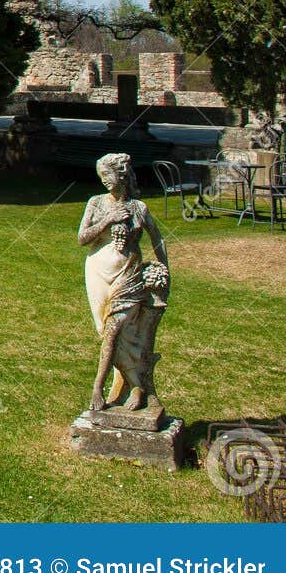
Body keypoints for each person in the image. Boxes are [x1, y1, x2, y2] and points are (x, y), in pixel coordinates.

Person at [78, 152, 170, 412]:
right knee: (103, 330)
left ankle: (122, 386)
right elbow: (82, 238)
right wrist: (108, 220)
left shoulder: (139, 208)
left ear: (122, 175)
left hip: (128, 273)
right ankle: (132, 386)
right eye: (101, 176)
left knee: (120, 331)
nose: (104, 180)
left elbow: (157, 238)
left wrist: (164, 267)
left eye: (108, 175)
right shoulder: (96, 203)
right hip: (98, 271)